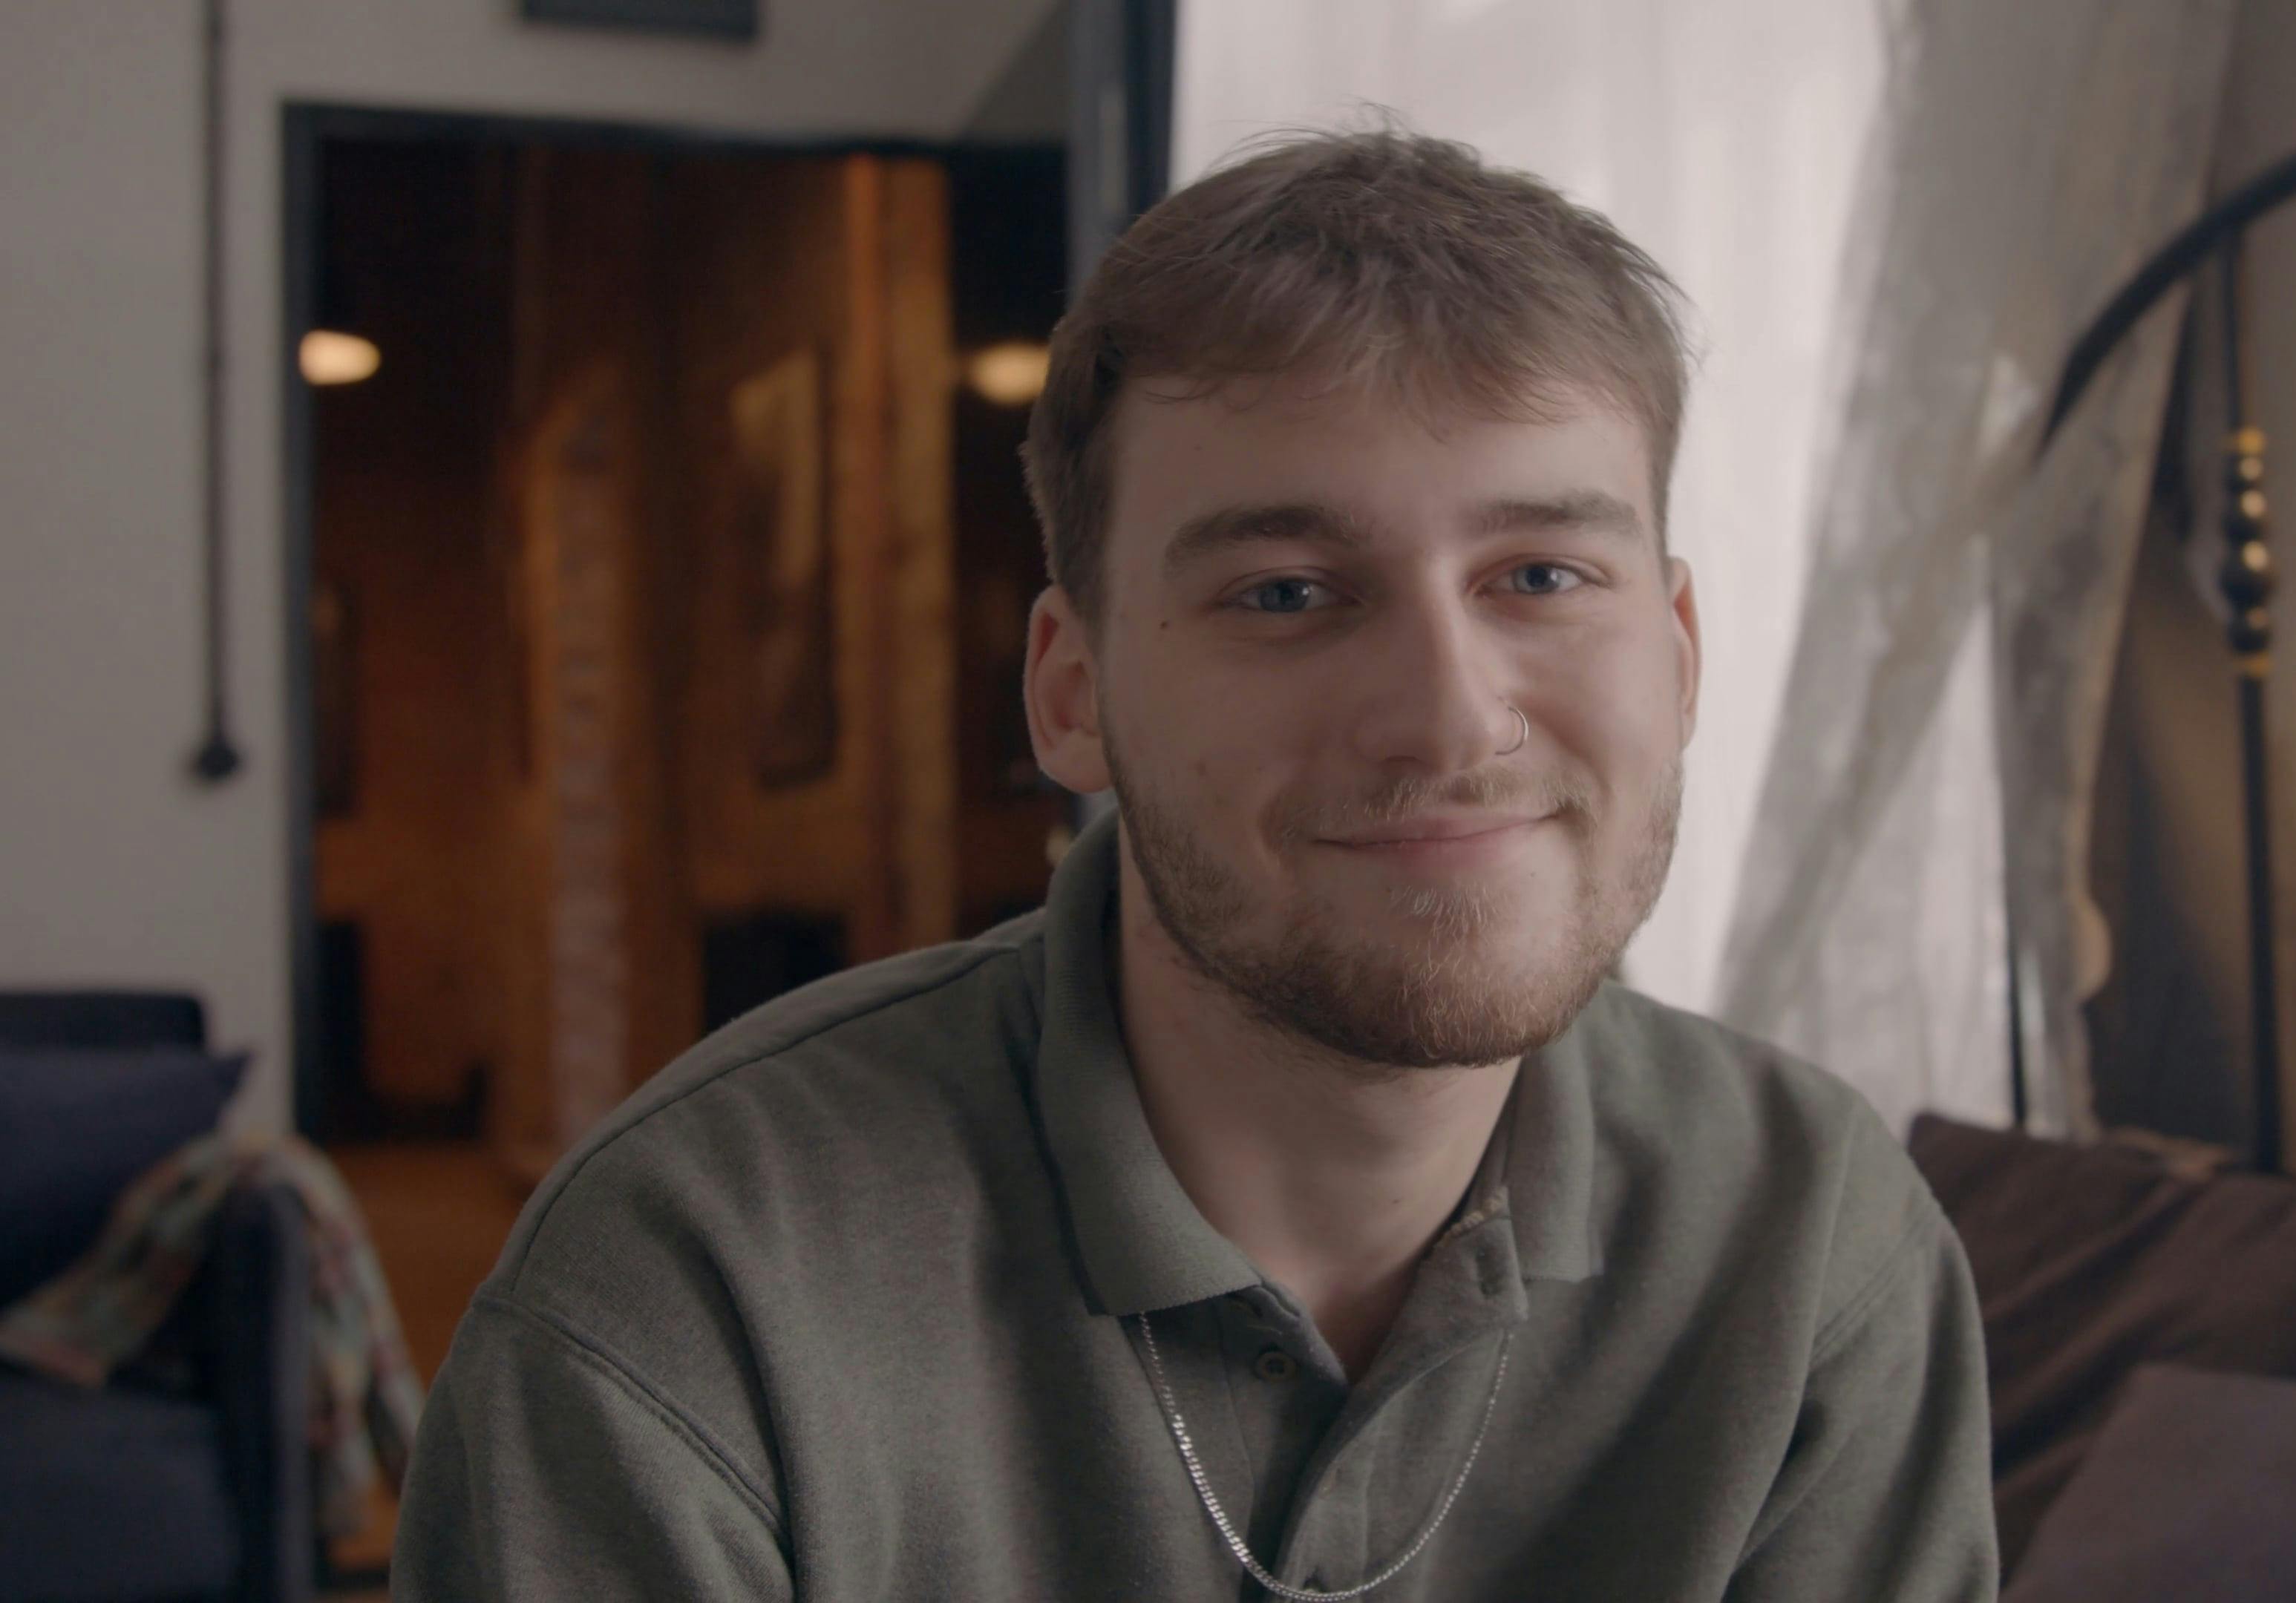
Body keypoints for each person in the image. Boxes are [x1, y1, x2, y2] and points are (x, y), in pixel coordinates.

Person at [394, 127, 1996, 1602]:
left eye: (1542, 573)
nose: (1449, 717)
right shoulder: (688, 1294)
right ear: (1071, 694)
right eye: (1287, 595)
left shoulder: (1813, 1250)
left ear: (1680, 651)